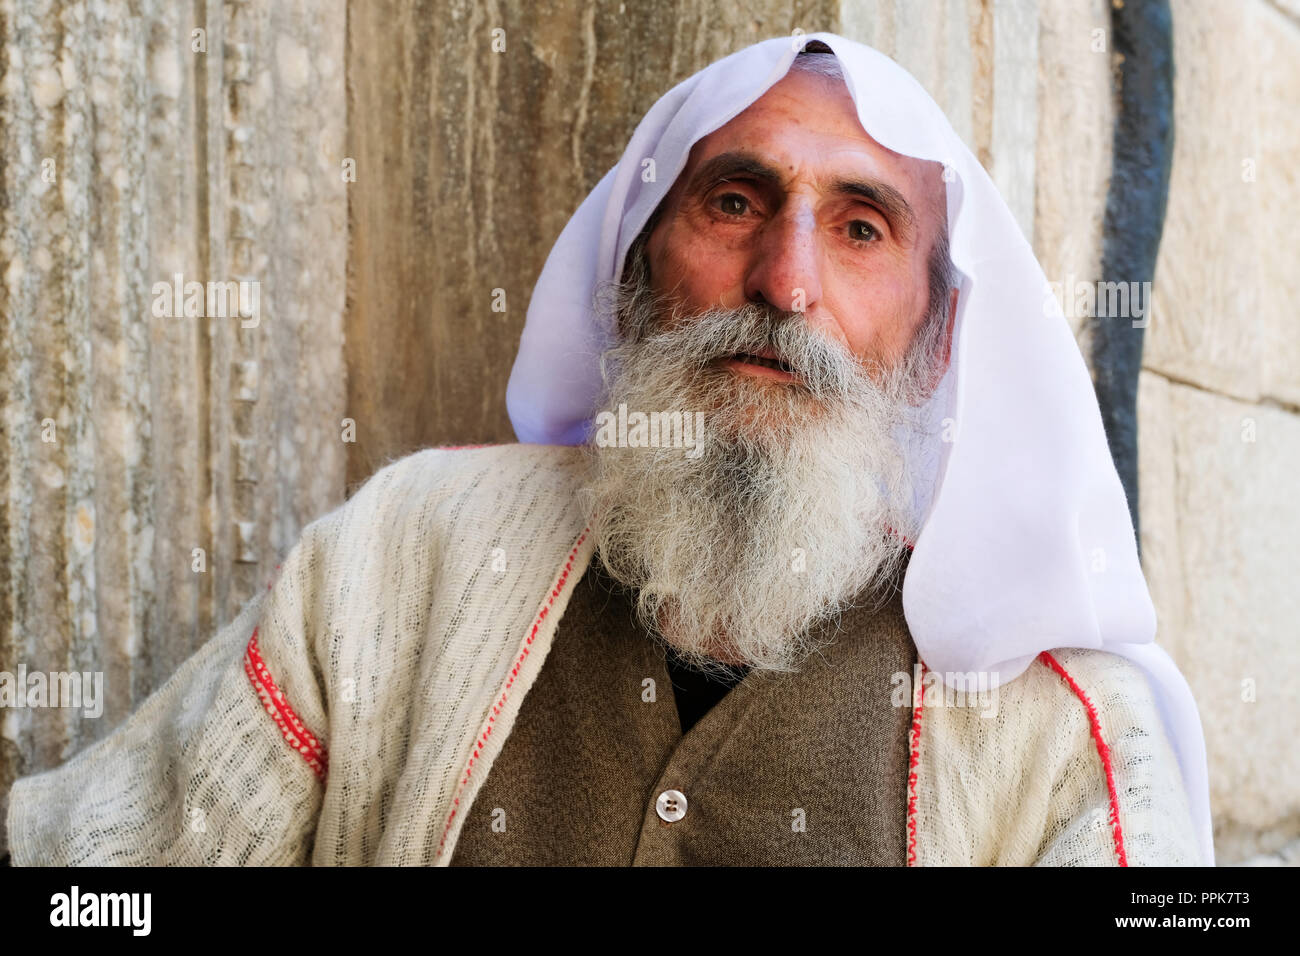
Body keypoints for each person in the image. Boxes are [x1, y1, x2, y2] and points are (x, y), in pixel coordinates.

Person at [3, 33, 1211, 867]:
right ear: (634, 269)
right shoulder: (402, 556)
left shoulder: (1062, 733)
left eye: (858, 227)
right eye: (734, 201)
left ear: (936, 329)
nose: (785, 283)